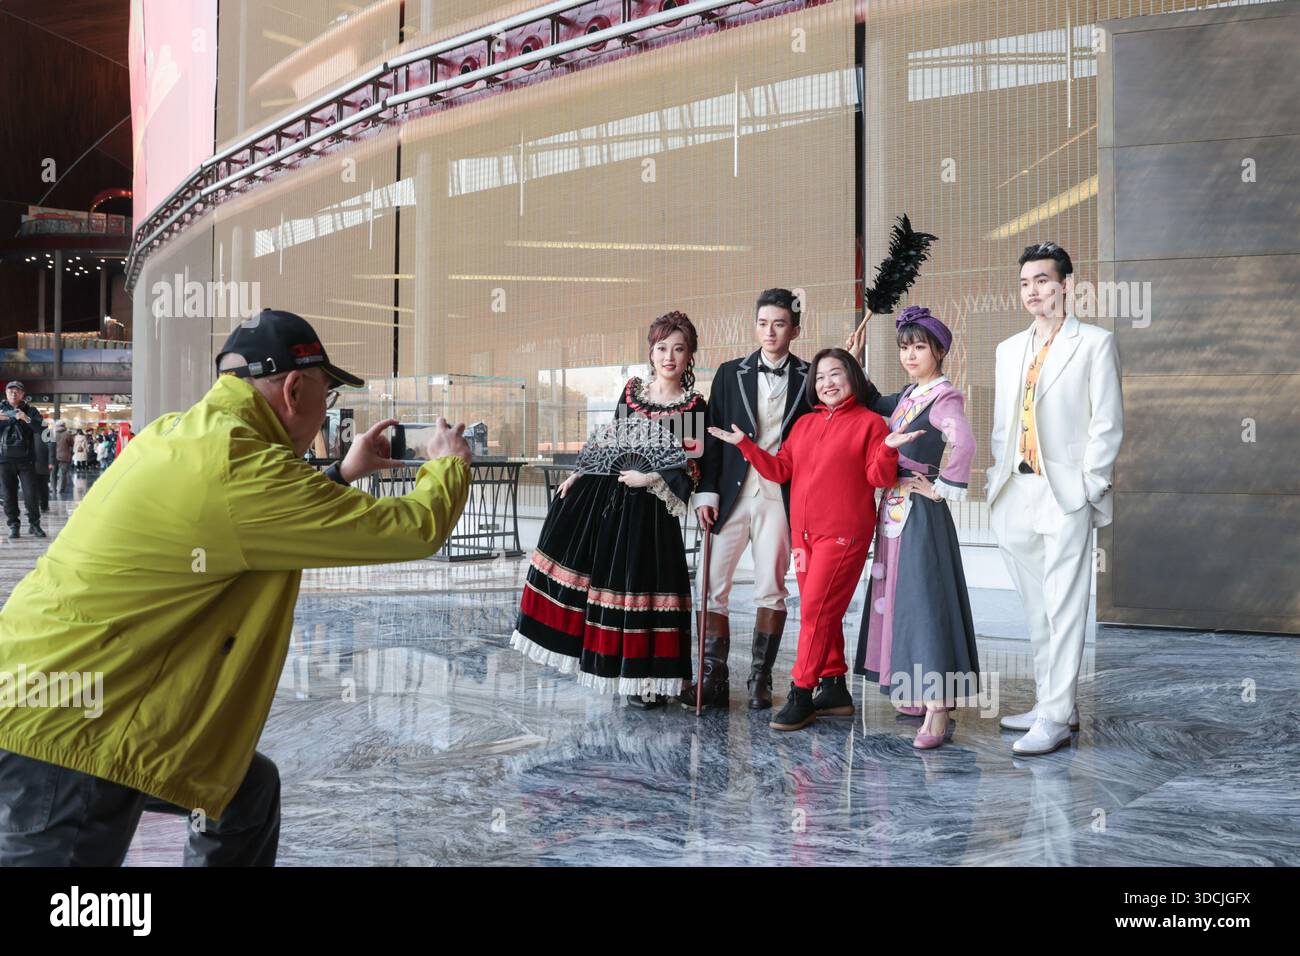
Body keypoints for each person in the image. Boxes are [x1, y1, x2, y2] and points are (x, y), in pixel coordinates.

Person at [0, 309, 473, 866]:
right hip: (72, 725)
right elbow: (414, 530)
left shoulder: (178, 434)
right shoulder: (240, 466)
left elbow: (239, 515)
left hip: (57, 681)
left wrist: (339, 475)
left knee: (245, 791)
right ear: (295, 389)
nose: (328, 411)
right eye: (329, 394)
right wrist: (447, 466)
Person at [709, 348, 917, 731]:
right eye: (820, 378)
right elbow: (780, 469)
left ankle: (802, 691)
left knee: (814, 613)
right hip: (804, 536)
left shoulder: (871, 424)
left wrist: (888, 448)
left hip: (844, 535)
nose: (827, 384)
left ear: (853, 377)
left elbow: (879, 478)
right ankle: (834, 686)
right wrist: (746, 446)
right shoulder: (804, 424)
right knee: (822, 611)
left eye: (835, 375)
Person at [511, 311, 705, 708]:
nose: (669, 356)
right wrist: (579, 475)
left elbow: (693, 464)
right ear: (651, 352)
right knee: (611, 583)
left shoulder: (694, 406)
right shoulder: (633, 392)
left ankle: (650, 678)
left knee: (647, 589)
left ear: (689, 356)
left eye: (679, 349)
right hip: (614, 503)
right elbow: (612, 443)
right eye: (662, 348)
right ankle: (621, 673)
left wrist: (650, 478)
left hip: (654, 512)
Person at [987, 242, 1123, 755]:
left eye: (1042, 281)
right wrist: (994, 486)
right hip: (1015, 491)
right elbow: (1004, 424)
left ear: (1066, 284)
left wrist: (1089, 488)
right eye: (1025, 283)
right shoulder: (1006, 350)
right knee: (1037, 609)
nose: (1033, 291)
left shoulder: (1093, 343)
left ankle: (1055, 717)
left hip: (1065, 492)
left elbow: (1107, 423)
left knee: (1066, 607)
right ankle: (1053, 703)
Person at [850, 306, 979, 750]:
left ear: (939, 350)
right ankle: (914, 689)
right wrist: (853, 361)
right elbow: (871, 400)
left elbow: (963, 439)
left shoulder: (944, 397)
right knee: (901, 598)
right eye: (905, 347)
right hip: (895, 507)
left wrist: (943, 487)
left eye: (919, 347)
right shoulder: (909, 394)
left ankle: (938, 705)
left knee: (923, 600)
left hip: (921, 513)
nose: (910, 355)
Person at [687, 288, 812, 711]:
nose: (770, 332)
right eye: (763, 323)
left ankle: (759, 680)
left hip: (780, 495)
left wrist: (850, 362)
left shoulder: (811, 376)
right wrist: (706, 490)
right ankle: (712, 679)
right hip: (732, 494)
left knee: (770, 587)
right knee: (709, 583)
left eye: (779, 323)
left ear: (795, 329)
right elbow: (713, 437)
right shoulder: (728, 373)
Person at [0, 381, 46, 538]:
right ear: (6, 393)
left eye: (17, 391)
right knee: (8, 495)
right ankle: (14, 525)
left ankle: (34, 524)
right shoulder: (0, 410)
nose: (14, 393)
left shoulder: (31, 410)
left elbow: (42, 429)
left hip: (26, 460)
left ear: (22, 394)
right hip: (4, 460)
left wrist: (26, 418)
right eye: (10, 390)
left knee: (31, 494)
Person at [53, 421, 72, 496]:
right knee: (62, 474)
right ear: (64, 426)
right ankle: (61, 489)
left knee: (53, 474)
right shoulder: (68, 434)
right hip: (65, 456)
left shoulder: (52, 434)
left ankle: (53, 488)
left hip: (53, 456)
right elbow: (72, 444)